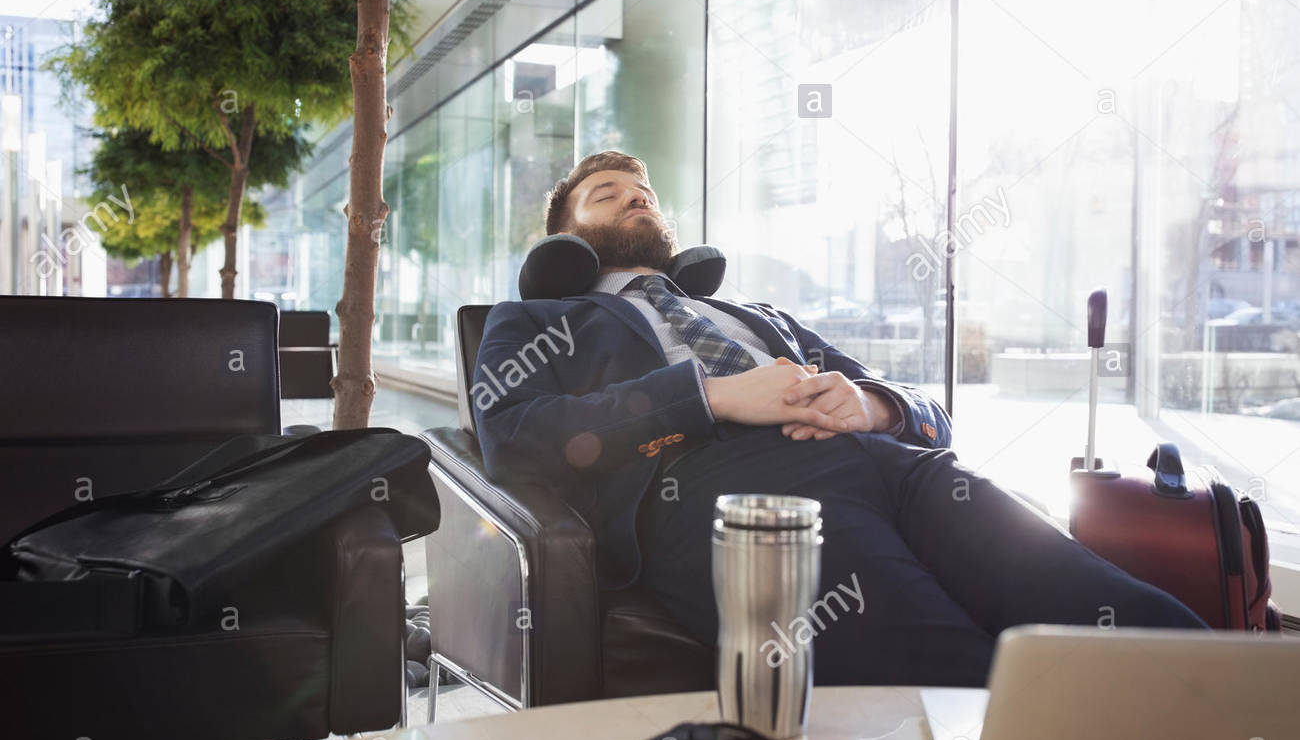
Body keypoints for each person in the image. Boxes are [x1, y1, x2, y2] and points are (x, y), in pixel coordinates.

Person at [472, 150, 1206, 687]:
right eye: (608, 194)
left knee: (1124, 617)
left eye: (646, 192)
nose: (637, 200)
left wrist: (875, 405)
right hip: (724, 488)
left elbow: (928, 416)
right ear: (564, 239)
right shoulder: (541, 318)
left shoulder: (754, 315)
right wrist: (712, 397)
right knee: (960, 675)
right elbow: (514, 435)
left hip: (901, 471)